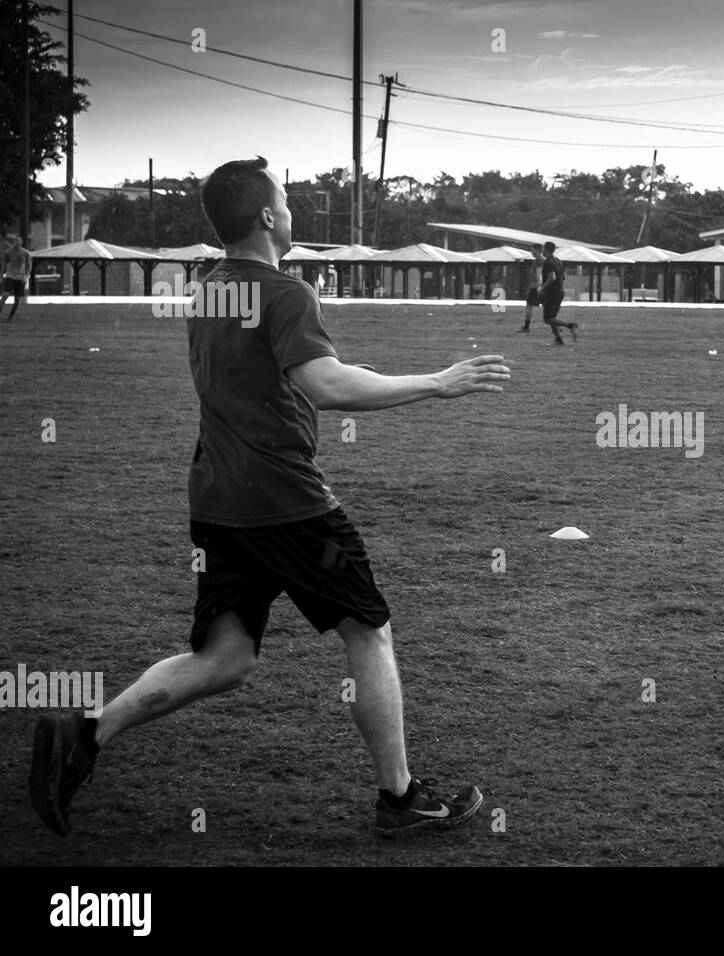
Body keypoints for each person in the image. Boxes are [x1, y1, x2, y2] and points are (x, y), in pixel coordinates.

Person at [28, 157, 511, 839]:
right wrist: (439, 382)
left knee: (224, 659)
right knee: (368, 630)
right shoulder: (284, 292)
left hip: (219, 497)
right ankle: (401, 801)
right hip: (285, 500)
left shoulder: (210, 289)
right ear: (265, 216)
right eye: (284, 200)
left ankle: (84, 735)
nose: (291, 210)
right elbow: (329, 385)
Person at [539, 241, 577, 345]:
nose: (542, 250)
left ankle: (569, 325)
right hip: (559, 291)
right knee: (552, 318)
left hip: (552, 293)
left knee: (547, 319)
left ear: (547, 249)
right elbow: (563, 278)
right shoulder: (558, 261)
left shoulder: (548, 262)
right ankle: (558, 339)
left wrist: (542, 289)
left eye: (543, 248)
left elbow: (552, 278)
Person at [1, 235, 32, 322]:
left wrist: (26, 276)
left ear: (21, 242)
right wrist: (1, 276)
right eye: (15, 240)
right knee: (5, 295)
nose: (16, 242)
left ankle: (10, 317)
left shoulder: (26, 253)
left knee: (17, 299)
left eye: (18, 240)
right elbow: (3, 265)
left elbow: (29, 266)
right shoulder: (8, 252)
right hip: (10, 276)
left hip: (20, 278)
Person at [518, 243, 544, 332]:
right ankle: (557, 326)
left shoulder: (538, 261)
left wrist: (537, 287)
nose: (531, 252)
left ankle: (526, 327)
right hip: (542, 287)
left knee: (529, 306)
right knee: (547, 307)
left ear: (538, 250)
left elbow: (539, 274)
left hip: (536, 287)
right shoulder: (543, 260)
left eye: (532, 250)